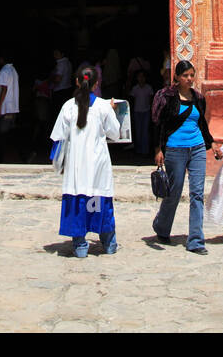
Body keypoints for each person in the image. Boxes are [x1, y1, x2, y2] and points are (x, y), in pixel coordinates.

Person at [51, 64, 121, 258]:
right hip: (97, 166)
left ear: (76, 81)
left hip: (76, 167)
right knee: (98, 202)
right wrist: (113, 110)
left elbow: (58, 137)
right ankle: (108, 243)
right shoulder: (103, 107)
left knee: (78, 203)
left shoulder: (68, 106)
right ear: (96, 84)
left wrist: (58, 164)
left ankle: (80, 245)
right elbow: (115, 133)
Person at [152, 60, 220, 254]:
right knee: (174, 192)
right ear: (177, 77)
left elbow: (202, 124)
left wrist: (212, 144)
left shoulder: (198, 98)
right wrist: (159, 149)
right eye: (185, 76)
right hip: (175, 149)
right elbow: (158, 124)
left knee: (197, 194)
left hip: (197, 147)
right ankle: (162, 227)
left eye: (192, 75)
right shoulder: (165, 97)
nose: (189, 79)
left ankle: (196, 240)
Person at [0, 54, 19, 163]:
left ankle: (0, 159)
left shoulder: (4, 71)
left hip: (5, 107)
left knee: (2, 135)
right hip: (12, 106)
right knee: (9, 133)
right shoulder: (13, 70)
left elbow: (4, 89)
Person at [129, 70, 153, 159]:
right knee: (138, 131)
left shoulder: (148, 88)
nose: (141, 79)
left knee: (145, 131)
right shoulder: (135, 88)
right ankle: (138, 150)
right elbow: (132, 99)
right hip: (137, 111)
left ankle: (145, 150)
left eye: (143, 77)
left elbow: (151, 99)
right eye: (139, 77)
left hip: (146, 111)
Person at [50, 47, 73, 120]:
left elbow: (58, 79)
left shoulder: (60, 64)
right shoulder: (68, 62)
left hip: (60, 91)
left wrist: (51, 79)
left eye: (57, 54)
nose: (54, 55)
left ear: (62, 54)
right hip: (67, 89)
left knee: (58, 113)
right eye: (54, 54)